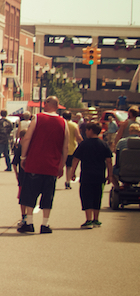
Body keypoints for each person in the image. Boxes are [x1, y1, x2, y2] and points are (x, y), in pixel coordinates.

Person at [17, 96, 69, 234]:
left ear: (46, 104)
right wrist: (61, 165)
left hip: (35, 162)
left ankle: (29, 222)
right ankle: (45, 224)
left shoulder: (38, 118)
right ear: (57, 106)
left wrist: (23, 156)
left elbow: (27, 138)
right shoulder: (63, 122)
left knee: (30, 193)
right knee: (48, 194)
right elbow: (65, 146)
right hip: (52, 164)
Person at [69, 121, 113, 229]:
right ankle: (96, 219)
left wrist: (72, 172)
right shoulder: (104, 144)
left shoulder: (84, 144)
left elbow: (76, 159)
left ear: (90, 131)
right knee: (97, 196)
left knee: (86, 196)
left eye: (87, 130)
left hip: (87, 175)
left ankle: (88, 220)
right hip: (99, 175)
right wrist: (110, 175)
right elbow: (109, 161)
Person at [62, 111, 82, 189]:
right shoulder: (74, 125)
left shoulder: (61, 124)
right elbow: (78, 136)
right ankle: (68, 181)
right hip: (71, 148)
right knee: (69, 166)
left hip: (60, 148)